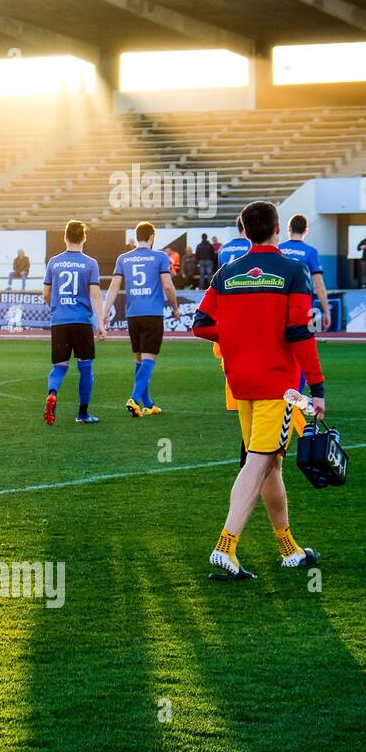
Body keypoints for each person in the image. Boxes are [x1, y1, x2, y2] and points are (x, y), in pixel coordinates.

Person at [191, 200, 324, 580]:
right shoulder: (292, 270)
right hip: (278, 384)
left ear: (245, 231)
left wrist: (237, 335)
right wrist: (317, 386)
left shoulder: (226, 272)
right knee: (259, 461)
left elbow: (201, 324)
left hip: (241, 382)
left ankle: (289, 549)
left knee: (269, 463)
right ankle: (225, 546)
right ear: (276, 228)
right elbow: (299, 332)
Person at [103, 221, 180, 417]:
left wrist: (104, 312)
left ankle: (147, 404)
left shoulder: (124, 258)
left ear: (137, 237)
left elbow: (113, 287)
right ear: (152, 237)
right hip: (152, 314)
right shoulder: (160, 257)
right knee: (149, 358)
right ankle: (134, 398)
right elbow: (168, 286)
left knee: (139, 358)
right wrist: (175, 307)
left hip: (133, 315)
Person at [43, 219, 105, 425]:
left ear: (65, 237)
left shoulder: (54, 262)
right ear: (84, 238)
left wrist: (56, 307)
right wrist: (101, 324)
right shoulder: (90, 263)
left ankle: (52, 392)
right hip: (81, 322)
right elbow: (95, 294)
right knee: (85, 368)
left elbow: (46, 293)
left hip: (59, 321)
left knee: (59, 367)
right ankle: (83, 413)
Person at [278, 214, 331, 330]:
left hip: (279, 303)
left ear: (289, 229)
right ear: (306, 230)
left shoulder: (278, 248)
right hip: (302, 303)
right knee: (305, 340)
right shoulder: (311, 251)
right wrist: (327, 311)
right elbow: (319, 285)